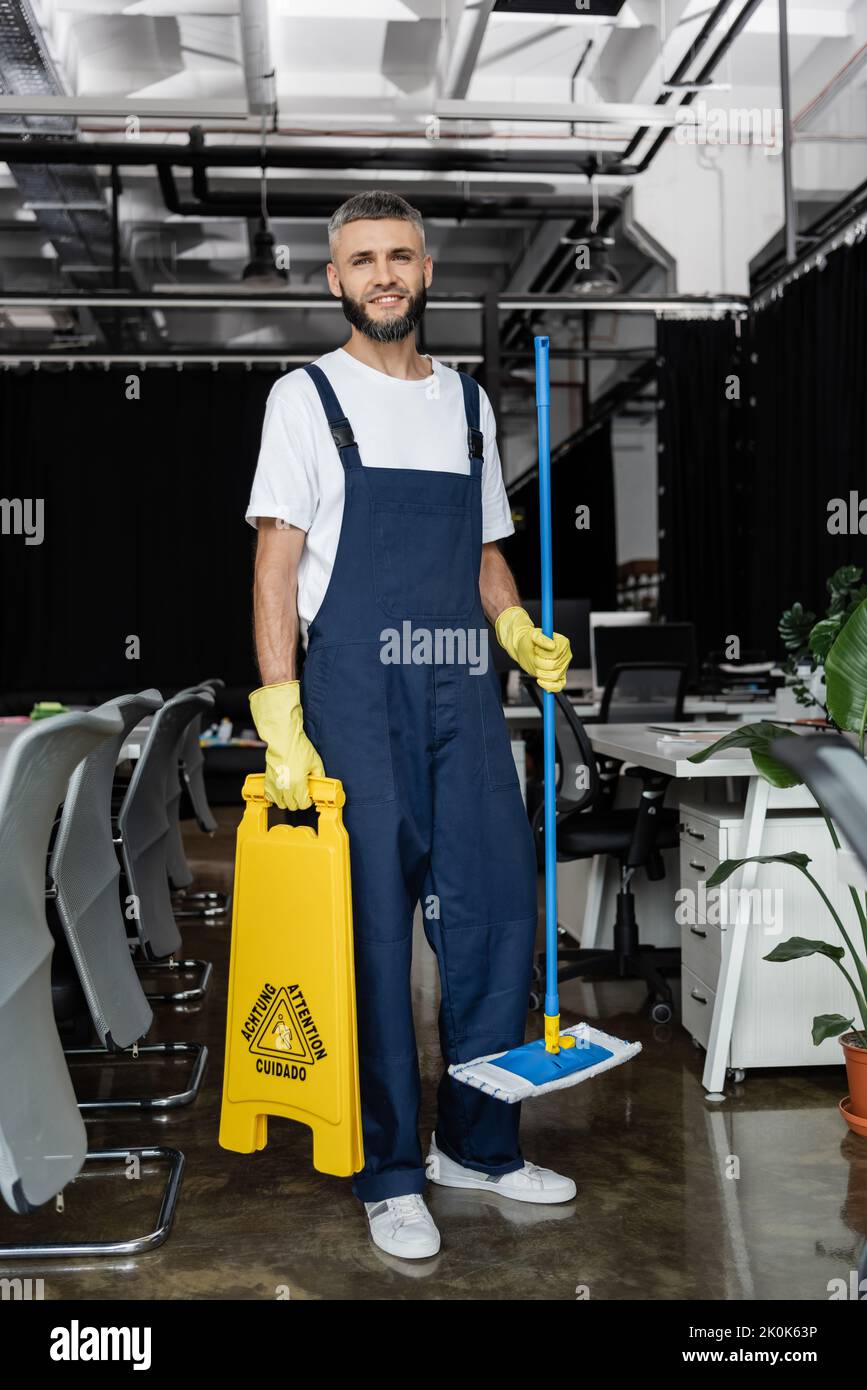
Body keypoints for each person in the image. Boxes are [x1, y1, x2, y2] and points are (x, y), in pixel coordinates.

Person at [245, 190, 574, 1260]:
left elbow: (483, 553)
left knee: (493, 919)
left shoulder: (470, 404)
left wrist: (517, 626)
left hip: (462, 692)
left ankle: (476, 1145)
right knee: (374, 937)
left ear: (427, 272)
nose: (382, 274)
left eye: (398, 255)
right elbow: (277, 562)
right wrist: (280, 709)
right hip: (353, 699)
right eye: (360, 260)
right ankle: (390, 1170)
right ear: (333, 281)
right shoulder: (304, 398)